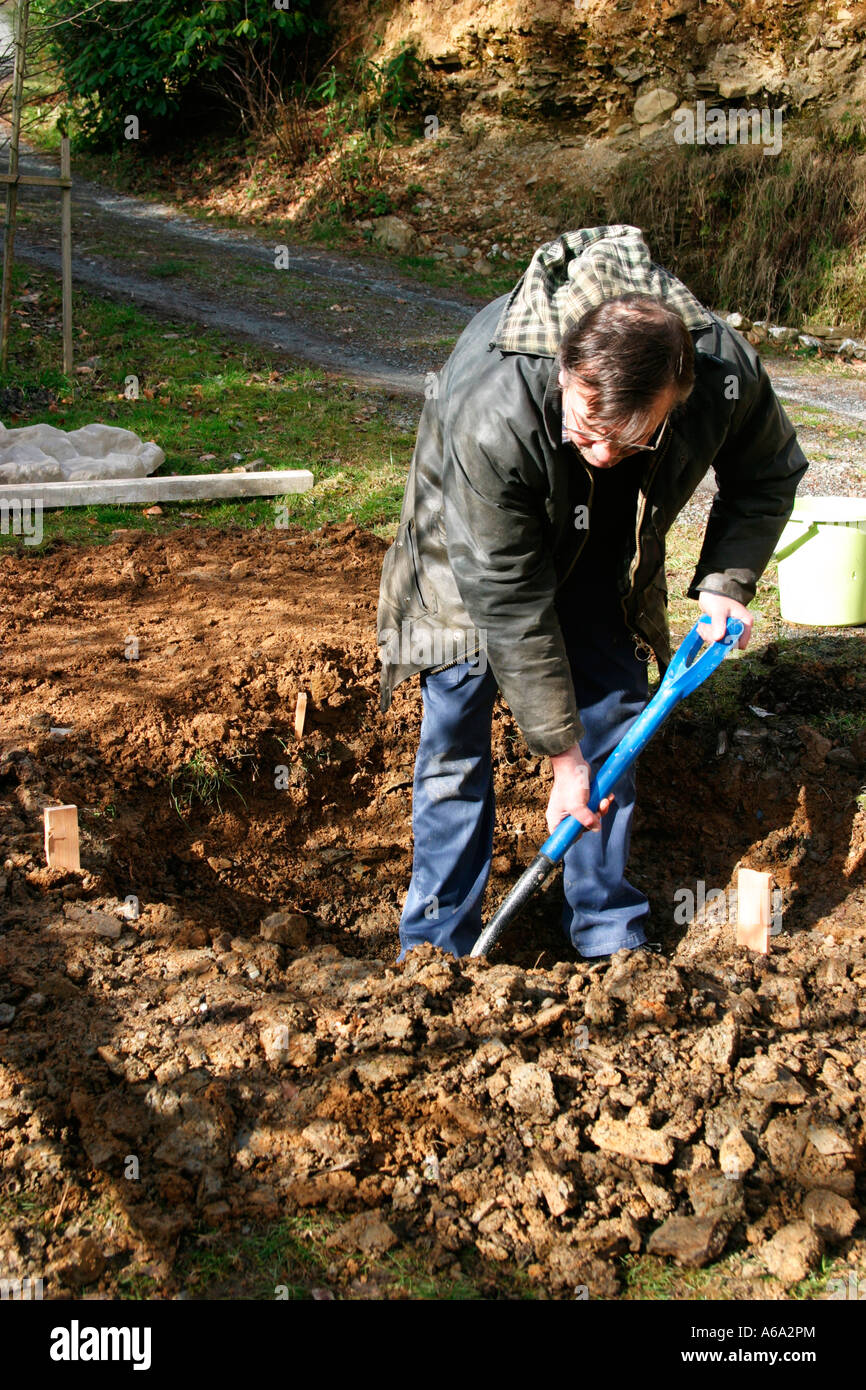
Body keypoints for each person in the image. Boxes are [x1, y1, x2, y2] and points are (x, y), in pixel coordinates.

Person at [377, 225, 808, 963]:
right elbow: (506, 595)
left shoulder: (718, 370)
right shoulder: (498, 406)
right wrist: (560, 757)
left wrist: (725, 584)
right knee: (457, 727)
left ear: (675, 394)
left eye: (630, 437)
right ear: (566, 372)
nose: (604, 452)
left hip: (599, 547)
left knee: (612, 720)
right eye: (587, 426)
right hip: (471, 544)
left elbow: (768, 472)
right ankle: (436, 947)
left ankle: (607, 934)